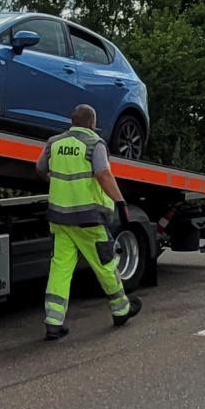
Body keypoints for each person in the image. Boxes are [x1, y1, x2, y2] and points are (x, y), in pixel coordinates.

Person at [35, 104, 142, 340]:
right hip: (88, 221)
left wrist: (54, 180)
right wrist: (121, 202)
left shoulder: (55, 142)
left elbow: (40, 168)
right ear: (92, 123)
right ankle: (121, 309)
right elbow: (103, 174)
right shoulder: (95, 144)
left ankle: (53, 322)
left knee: (60, 269)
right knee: (105, 265)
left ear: (72, 122)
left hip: (59, 219)